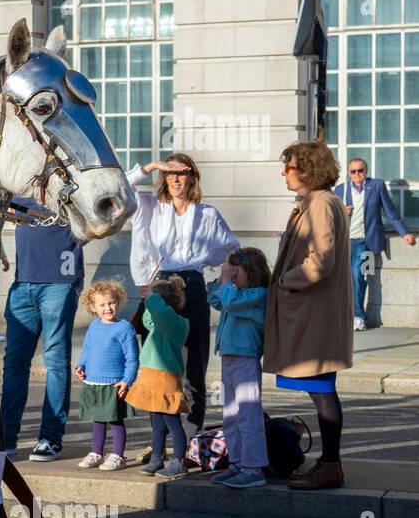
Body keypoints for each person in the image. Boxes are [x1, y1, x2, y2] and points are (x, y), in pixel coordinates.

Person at [127, 152, 239, 441]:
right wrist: (152, 166)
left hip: (192, 281)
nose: (175, 178)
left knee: (195, 359)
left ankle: (192, 430)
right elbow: (121, 188)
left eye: (182, 173)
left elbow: (231, 248)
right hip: (160, 285)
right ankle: (162, 434)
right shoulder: (149, 206)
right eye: (170, 173)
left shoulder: (207, 213)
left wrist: (216, 274)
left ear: (193, 178)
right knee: (158, 361)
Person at [265, 139, 353, 491]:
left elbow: (321, 260)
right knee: (321, 390)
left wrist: (286, 281)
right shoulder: (316, 202)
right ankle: (329, 464)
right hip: (313, 314)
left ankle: (330, 465)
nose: (283, 173)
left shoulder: (319, 204)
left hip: (313, 316)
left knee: (322, 390)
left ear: (307, 169)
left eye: (288, 166)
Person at [0, 197, 84, 461]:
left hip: (60, 285)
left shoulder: (70, 198)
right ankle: (5, 437)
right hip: (22, 285)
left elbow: (111, 194)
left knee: (56, 361)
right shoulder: (20, 200)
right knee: (14, 364)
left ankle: (50, 438)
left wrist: (145, 169)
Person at [208, 247, 271, 489]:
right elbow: (214, 299)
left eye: (237, 268)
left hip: (246, 359)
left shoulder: (257, 294)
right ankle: (236, 462)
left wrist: (226, 281)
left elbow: (231, 303)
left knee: (248, 416)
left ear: (251, 271)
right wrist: (223, 278)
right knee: (231, 416)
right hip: (229, 357)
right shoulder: (234, 292)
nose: (232, 272)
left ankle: (254, 468)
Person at [334, 157, 415, 331]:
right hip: (344, 242)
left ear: (366, 171)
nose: (357, 174)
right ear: (348, 173)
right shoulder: (341, 189)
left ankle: (358, 317)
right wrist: (342, 211)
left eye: (360, 170)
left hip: (367, 242)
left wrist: (404, 232)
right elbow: (330, 218)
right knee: (346, 279)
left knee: (358, 275)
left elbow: (390, 212)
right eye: (353, 171)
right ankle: (346, 316)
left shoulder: (376, 186)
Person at [126, 276, 190, 478]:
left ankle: (179, 461)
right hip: (151, 375)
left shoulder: (177, 324)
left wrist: (152, 297)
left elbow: (160, 313)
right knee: (157, 422)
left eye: (155, 300)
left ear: (162, 301)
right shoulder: (159, 322)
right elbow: (148, 319)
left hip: (166, 378)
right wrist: (147, 301)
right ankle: (156, 457)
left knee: (172, 421)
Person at [74, 280, 139, 471]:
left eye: (111, 303)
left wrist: (127, 380)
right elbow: (87, 350)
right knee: (98, 419)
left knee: (116, 420)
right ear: (93, 307)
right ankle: (96, 452)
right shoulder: (94, 326)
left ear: (118, 302)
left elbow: (133, 358)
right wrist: (81, 365)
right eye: (102, 305)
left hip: (115, 383)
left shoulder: (124, 327)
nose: (107, 308)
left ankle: (118, 455)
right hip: (93, 381)